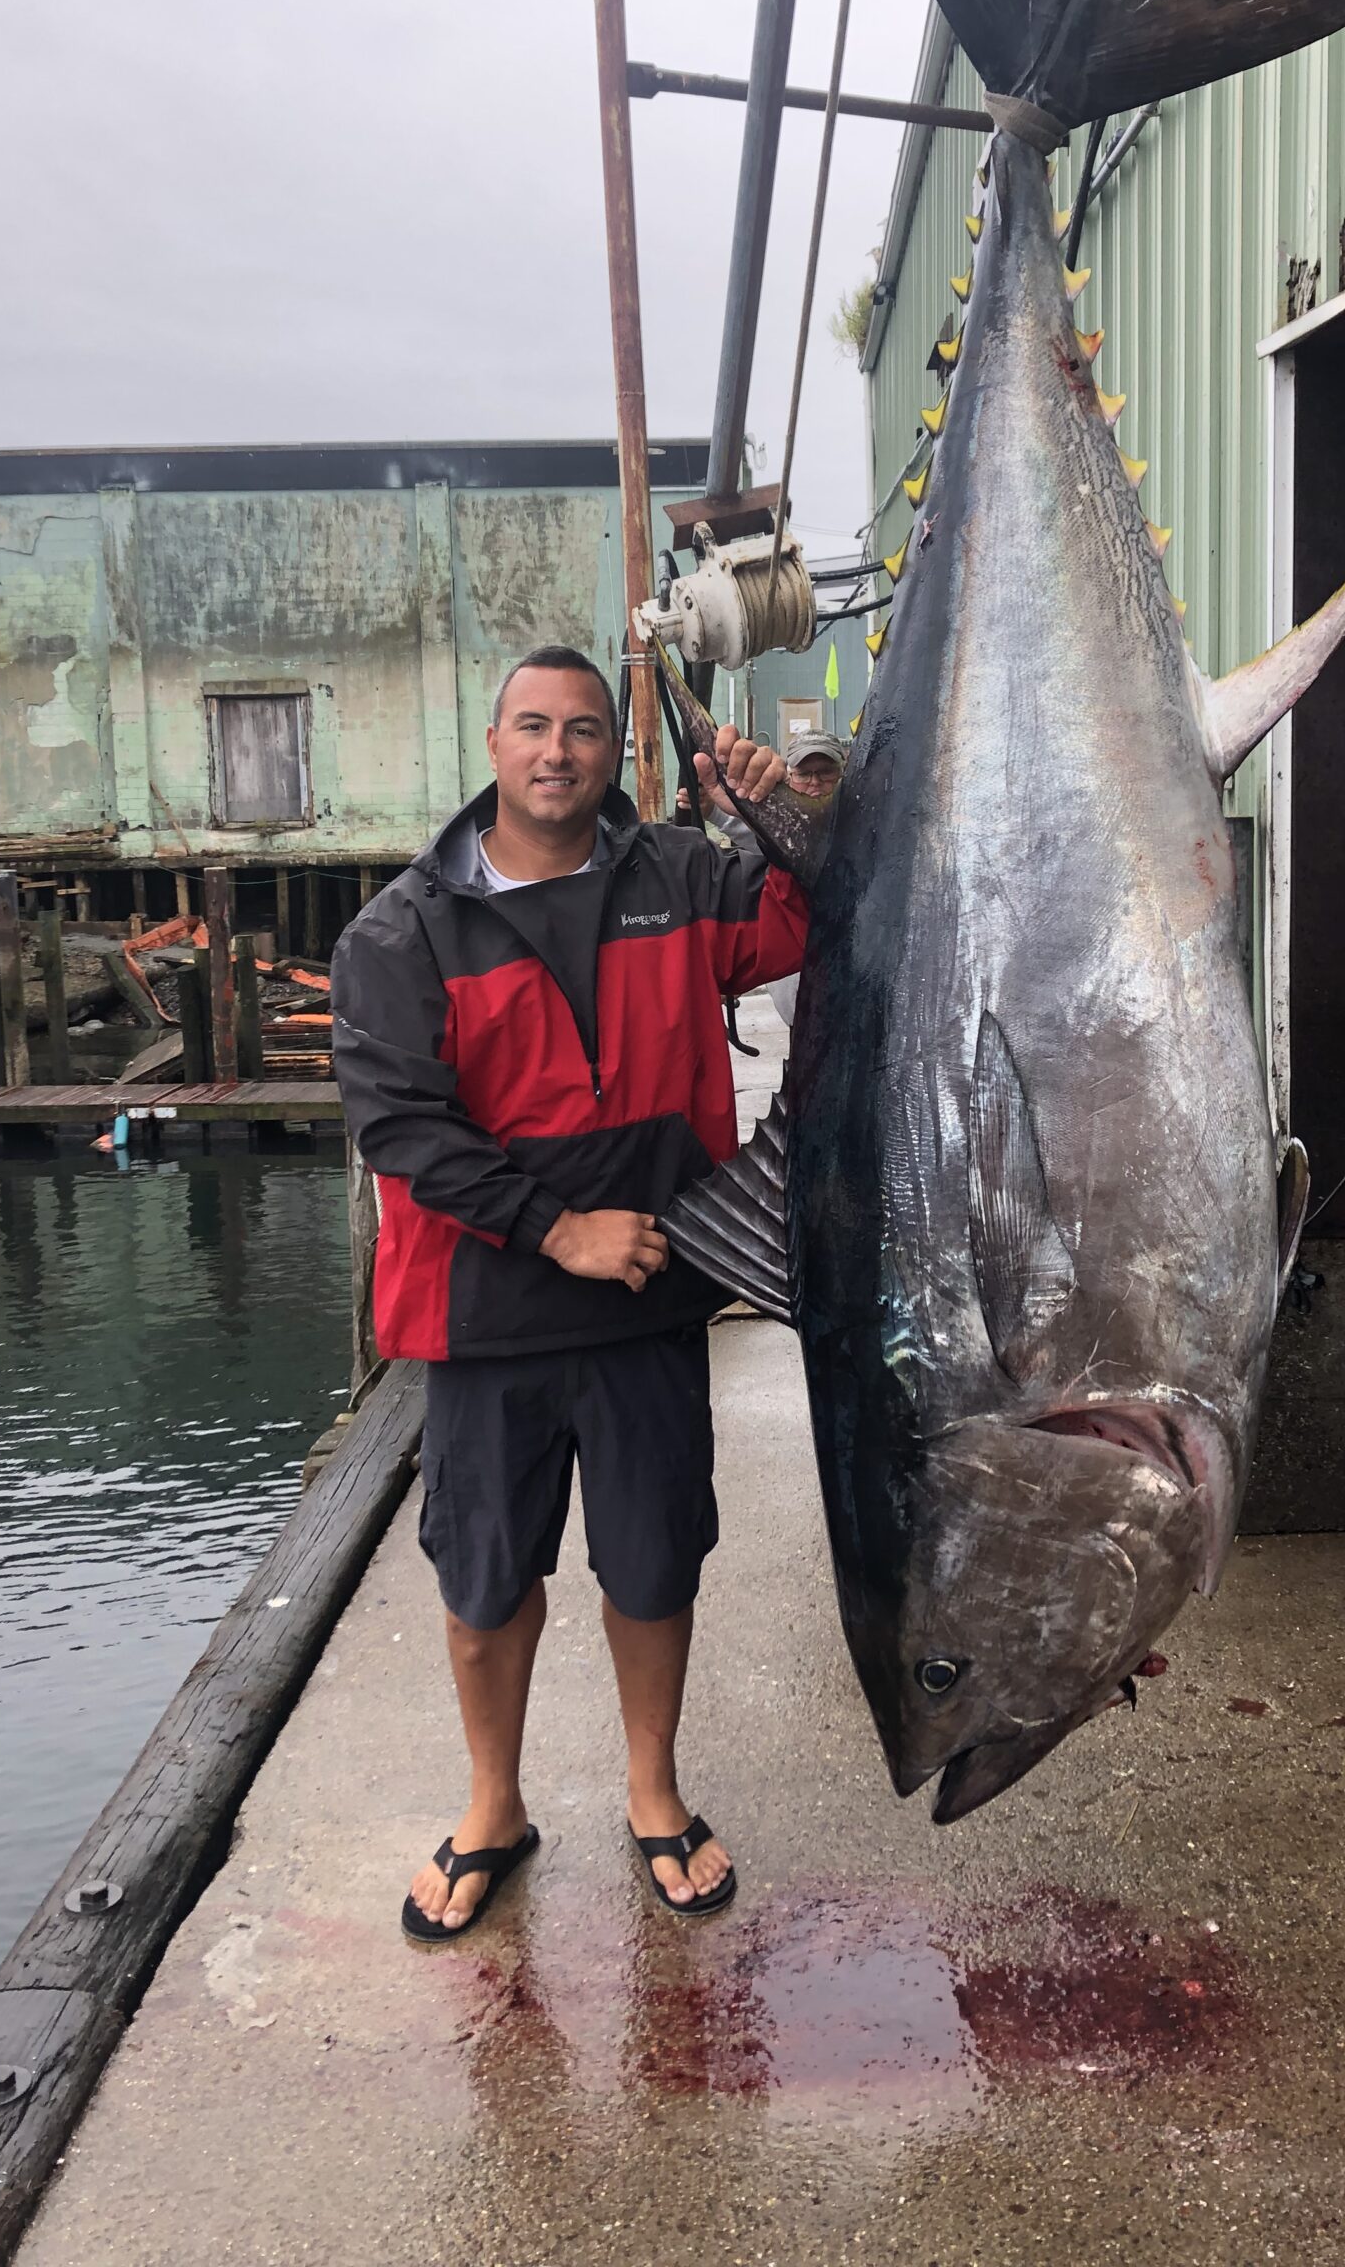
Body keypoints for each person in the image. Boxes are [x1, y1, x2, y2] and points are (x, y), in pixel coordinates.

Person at [331, 644, 805, 1940]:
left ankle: (655, 1791)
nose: (558, 751)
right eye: (533, 727)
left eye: (584, 730)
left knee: (655, 1562)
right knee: (485, 1579)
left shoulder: (683, 876)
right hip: (483, 1317)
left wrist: (785, 812)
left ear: (613, 753)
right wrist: (556, 1230)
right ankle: (494, 1805)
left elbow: (793, 925)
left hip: (648, 1298)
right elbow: (403, 1128)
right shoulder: (399, 934)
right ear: (493, 747)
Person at [682, 725, 844, 1028]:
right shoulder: (773, 845)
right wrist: (724, 812)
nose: (815, 784)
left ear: (842, 774)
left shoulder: (857, 835)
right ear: (790, 777)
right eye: (804, 774)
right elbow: (757, 842)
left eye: (825, 773)